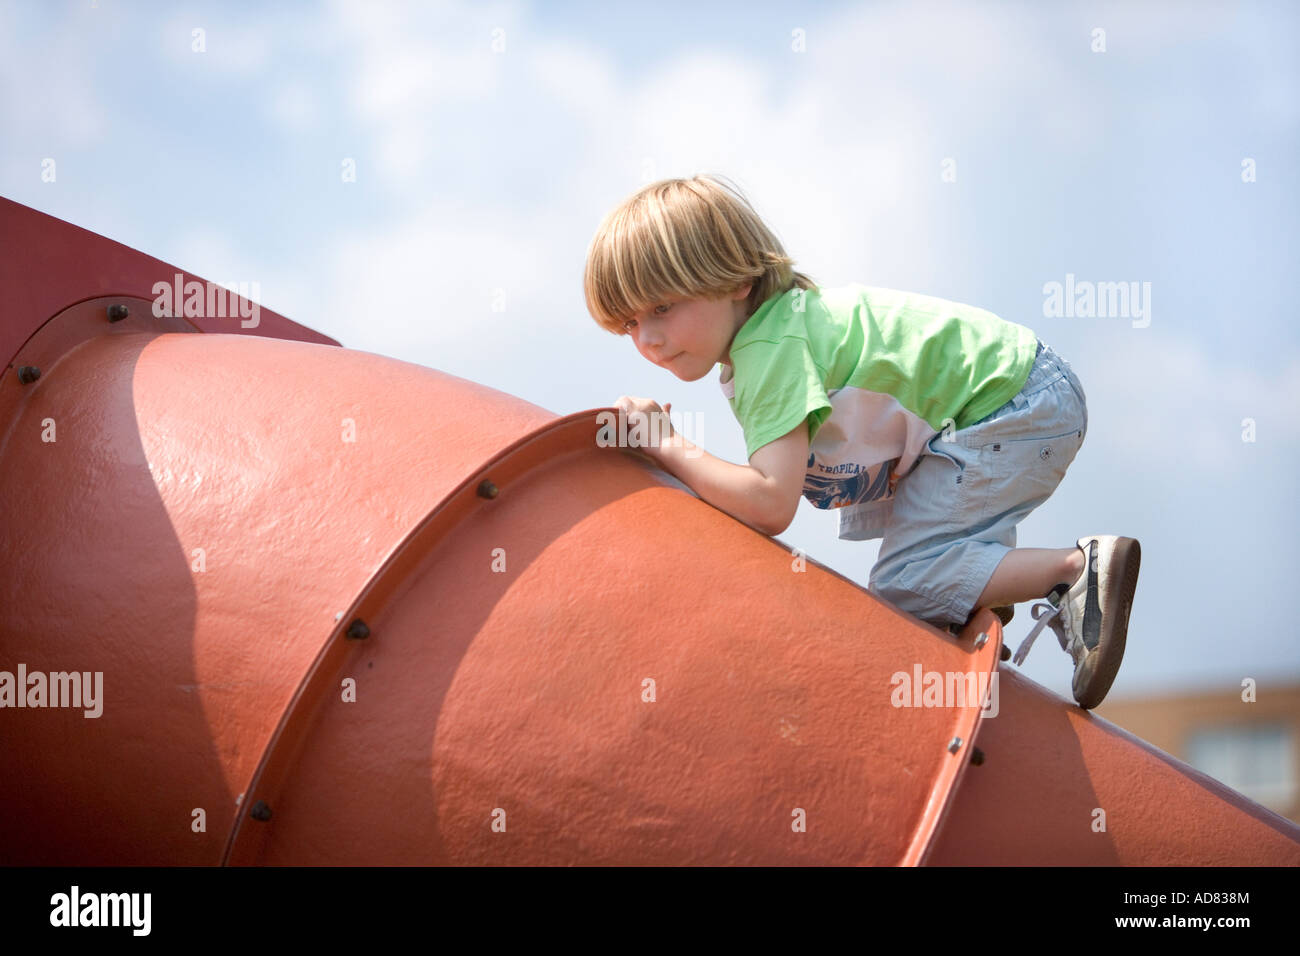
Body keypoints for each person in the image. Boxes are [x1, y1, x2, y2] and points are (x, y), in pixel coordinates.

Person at [582, 173, 1140, 709]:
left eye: (662, 307)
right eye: (629, 323)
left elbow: (769, 501)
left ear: (735, 281)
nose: (648, 339)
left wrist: (665, 443)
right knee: (921, 584)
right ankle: (969, 593)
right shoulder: (784, 327)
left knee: (906, 581)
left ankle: (1073, 571)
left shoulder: (767, 350)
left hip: (1005, 406)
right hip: (1014, 395)